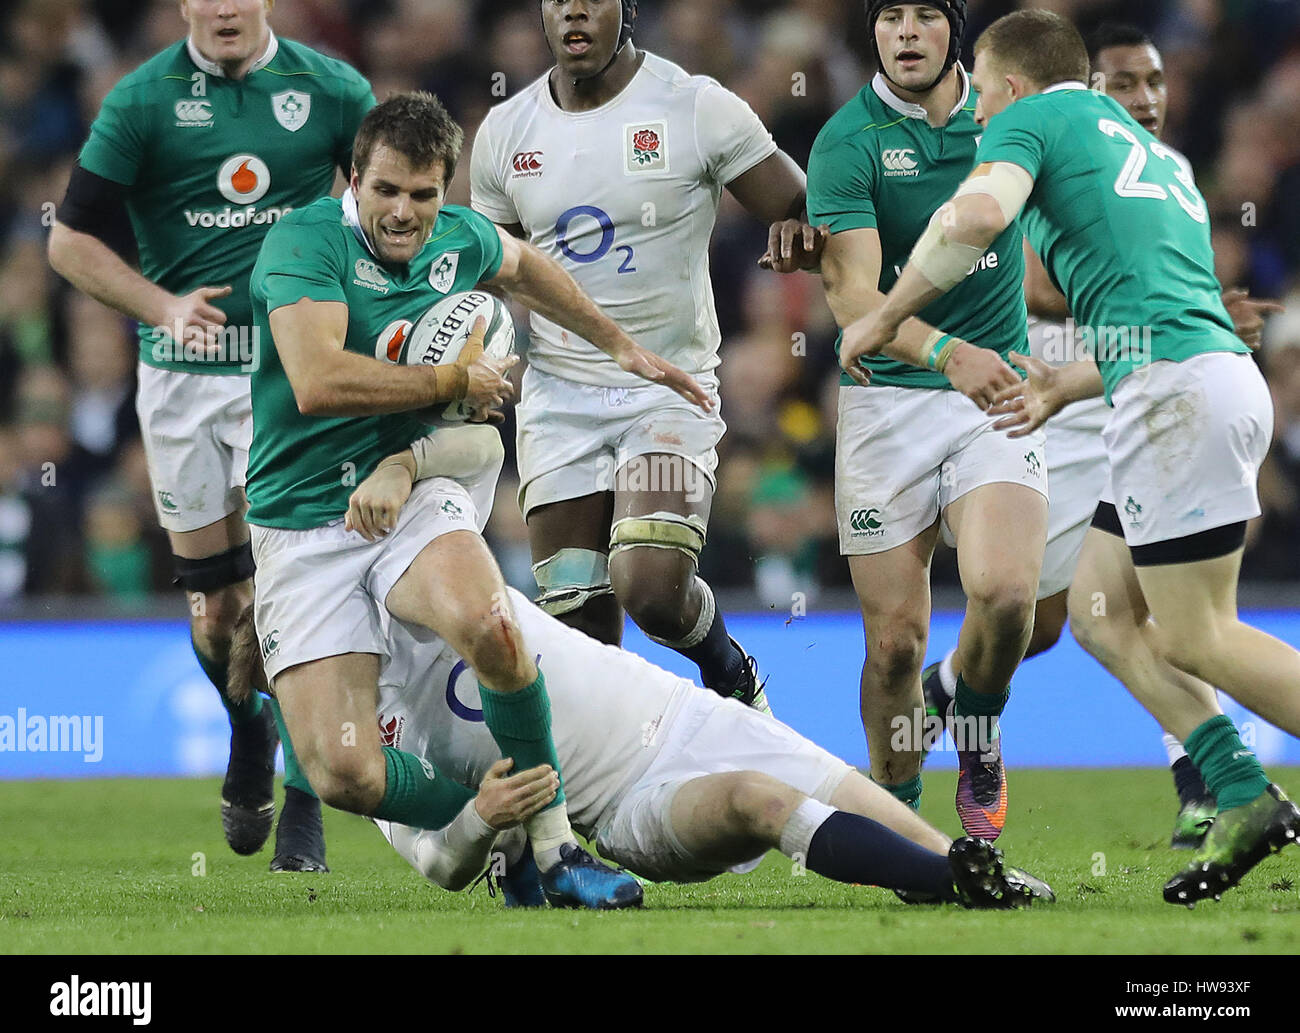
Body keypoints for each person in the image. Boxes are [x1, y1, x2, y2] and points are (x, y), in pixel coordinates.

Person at [842, 8, 1300, 904]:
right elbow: (1154, 307)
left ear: (1009, 81)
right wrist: (1062, 387)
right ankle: (1241, 789)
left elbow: (976, 215)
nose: (974, 104)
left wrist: (888, 314)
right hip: (1194, 383)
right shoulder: (1151, 159)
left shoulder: (1033, 118)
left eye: (978, 81)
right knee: (1097, 610)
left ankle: (1245, 787)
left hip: (1175, 399)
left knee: (1198, 634)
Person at [225, 449, 1055, 912]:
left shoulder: (430, 580)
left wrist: (402, 458)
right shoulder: (378, 747)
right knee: (759, 803)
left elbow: (466, 449)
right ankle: (956, 883)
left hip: (676, 706)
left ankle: (971, 872)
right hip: (627, 807)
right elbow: (440, 863)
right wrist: (480, 817)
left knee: (859, 795)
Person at [245, 90, 710, 909]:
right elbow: (316, 382)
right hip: (303, 519)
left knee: (492, 625)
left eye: (423, 195)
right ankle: (496, 827)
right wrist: (451, 379)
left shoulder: (457, 239)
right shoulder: (304, 242)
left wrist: (619, 344)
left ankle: (556, 845)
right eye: (385, 191)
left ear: (443, 192)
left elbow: (525, 265)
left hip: (416, 488)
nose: (403, 212)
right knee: (344, 770)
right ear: (354, 181)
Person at [46, 0, 377, 870]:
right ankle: (250, 730)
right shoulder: (141, 101)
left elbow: (386, 216)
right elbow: (68, 241)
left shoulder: (333, 88)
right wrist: (159, 305)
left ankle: (305, 800)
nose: (225, 5)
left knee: (295, 590)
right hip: (183, 380)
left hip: (291, 375)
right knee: (215, 616)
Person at [469, 0, 825, 713]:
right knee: (581, 634)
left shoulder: (695, 108)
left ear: (626, 10)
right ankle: (623, 808)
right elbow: (495, 267)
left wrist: (803, 236)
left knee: (652, 585)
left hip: (668, 390)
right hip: (559, 400)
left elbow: (801, 204)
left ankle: (728, 669)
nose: (572, 9)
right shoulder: (505, 133)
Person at [805, 0, 1044, 841]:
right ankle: (901, 828)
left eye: (926, 16)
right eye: (889, 17)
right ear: (871, 33)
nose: (906, 33)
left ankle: (978, 725)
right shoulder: (847, 140)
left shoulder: (1008, 118)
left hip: (998, 395)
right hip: (888, 405)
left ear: (958, 31)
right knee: (897, 645)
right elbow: (853, 300)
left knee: (1007, 594)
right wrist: (949, 353)